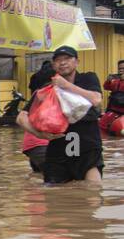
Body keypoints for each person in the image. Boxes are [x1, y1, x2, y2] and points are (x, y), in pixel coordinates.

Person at [17, 45, 103, 186]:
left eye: (67, 58)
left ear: (76, 62)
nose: (62, 62)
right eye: (58, 60)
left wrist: (67, 86)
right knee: (54, 198)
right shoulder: (47, 88)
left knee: (93, 191)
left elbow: (96, 99)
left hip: (88, 148)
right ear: (53, 65)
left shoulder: (88, 78)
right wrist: (39, 134)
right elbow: (21, 117)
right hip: (58, 152)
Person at [20, 63, 54, 175]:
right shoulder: (50, 93)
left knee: (39, 179)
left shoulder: (38, 93)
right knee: (56, 181)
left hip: (33, 145)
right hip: (42, 145)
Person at [100, 59, 124, 135]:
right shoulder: (116, 79)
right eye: (120, 68)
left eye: (123, 69)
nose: (121, 70)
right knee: (102, 124)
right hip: (114, 110)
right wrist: (108, 80)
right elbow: (106, 87)